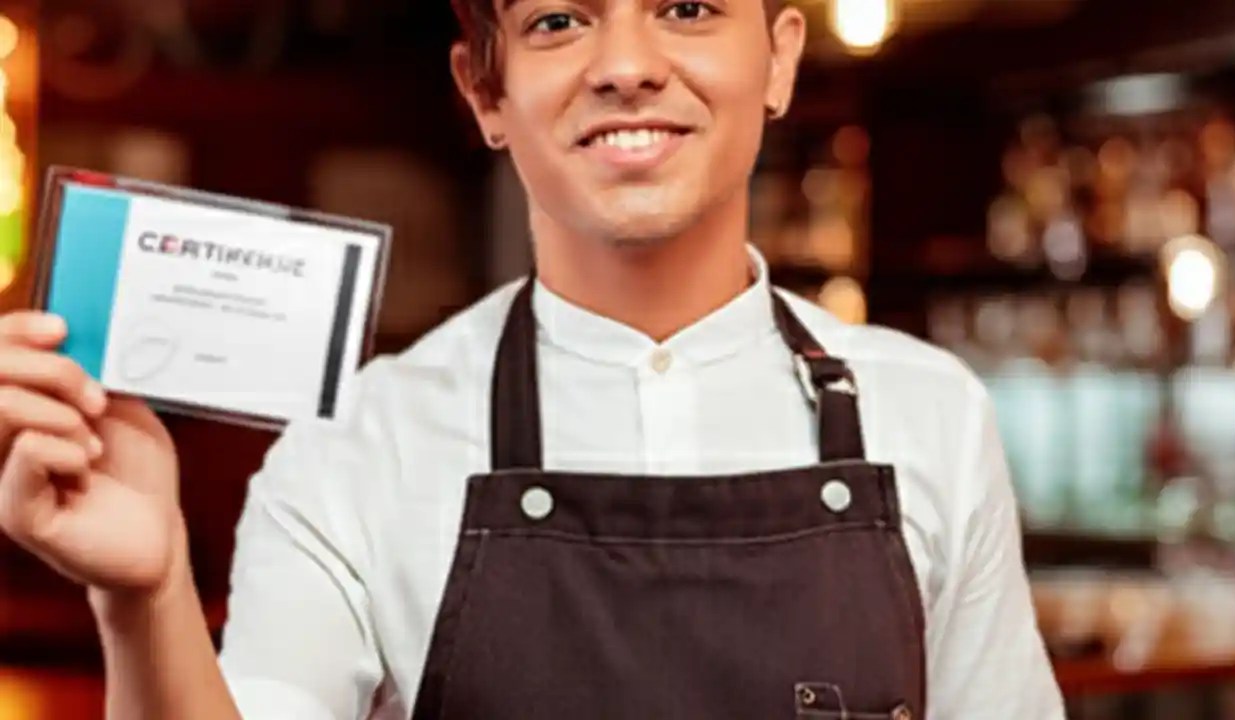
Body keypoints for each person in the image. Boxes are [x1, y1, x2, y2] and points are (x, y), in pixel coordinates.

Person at [0, 0, 1066, 718]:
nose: (627, 66)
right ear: (484, 91)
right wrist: (146, 595)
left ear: (779, 57)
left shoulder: (930, 410)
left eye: (688, 7)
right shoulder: (360, 440)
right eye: (558, 20)